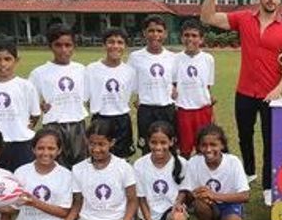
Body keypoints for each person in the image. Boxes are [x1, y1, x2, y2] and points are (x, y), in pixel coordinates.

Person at [200, 0, 282, 206]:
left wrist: (278, 89)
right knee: (244, 136)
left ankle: (267, 186)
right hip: (244, 91)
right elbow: (207, 17)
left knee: (270, 141)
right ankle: (249, 172)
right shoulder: (244, 18)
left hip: (271, 95)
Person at [66, 118, 139, 220]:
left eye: (101, 144)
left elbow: (133, 201)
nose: (96, 149)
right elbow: (77, 204)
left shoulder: (123, 167)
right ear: (86, 141)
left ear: (111, 143)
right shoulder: (78, 169)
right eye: (92, 144)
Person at [179, 123, 250, 220]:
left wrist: (214, 195)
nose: (208, 149)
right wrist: (195, 194)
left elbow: (245, 196)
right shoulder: (194, 162)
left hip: (230, 205)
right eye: (204, 145)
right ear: (199, 147)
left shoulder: (233, 162)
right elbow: (187, 192)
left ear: (222, 145)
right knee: (199, 204)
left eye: (213, 145)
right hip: (208, 206)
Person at [29, 25, 88, 169]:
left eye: (68, 45)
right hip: (53, 125)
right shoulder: (39, 73)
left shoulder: (82, 69)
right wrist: (40, 107)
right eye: (58, 45)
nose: (63, 50)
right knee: (56, 166)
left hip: (77, 123)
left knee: (80, 166)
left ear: (74, 46)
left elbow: (90, 95)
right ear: (50, 46)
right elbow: (30, 102)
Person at [0, 38, 40, 172]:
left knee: (23, 181)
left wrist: (23, 128)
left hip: (22, 144)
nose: (2, 64)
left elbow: (35, 114)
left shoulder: (25, 85)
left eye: (7, 59)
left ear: (16, 60)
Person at [133, 121, 189, 220]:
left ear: (172, 141)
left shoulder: (182, 163)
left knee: (179, 219)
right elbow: (141, 198)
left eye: (163, 142)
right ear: (147, 142)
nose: (158, 147)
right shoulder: (139, 165)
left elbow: (183, 190)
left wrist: (177, 204)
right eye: (154, 142)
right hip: (149, 217)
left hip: (170, 214)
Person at [129, 15, 178, 152]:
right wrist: (137, 96)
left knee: (169, 147)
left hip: (167, 109)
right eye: (151, 31)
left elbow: (176, 82)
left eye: (159, 31)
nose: (155, 34)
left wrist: (175, 89)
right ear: (144, 33)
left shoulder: (173, 57)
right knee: (147, 149)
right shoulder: (135, 57)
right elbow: (130, 81)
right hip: (146, 110)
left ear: (165, 33)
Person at [86, 27, 136, 159]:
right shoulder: (91, 69)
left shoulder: (129, 71)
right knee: (98, 157)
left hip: (122, 120)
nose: (115, 46)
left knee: (123, 159)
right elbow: (85, 97)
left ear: (125, 46)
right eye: (111, 42)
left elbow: (136, 94)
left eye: (120, 42)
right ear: (104, 45)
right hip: (100, 119)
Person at [172, 19, 216, 157]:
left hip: (203, 110)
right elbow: (172, 85)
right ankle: (185, 176)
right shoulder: (175, 59)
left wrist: (212, 112)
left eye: (194, 35)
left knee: (204, 147)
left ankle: (203, 176)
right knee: (184, 149)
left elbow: (207, 87)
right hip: (183, 111)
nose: (190, 39)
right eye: (186, 35)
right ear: (181, 37)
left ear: (201, 39)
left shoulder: (208, 59)